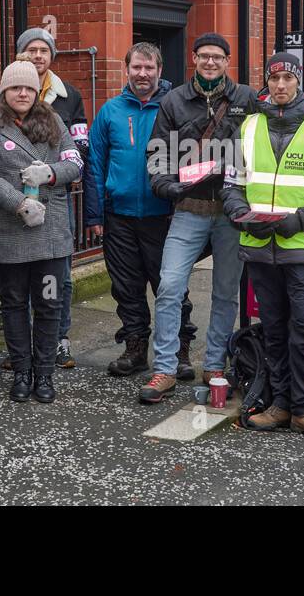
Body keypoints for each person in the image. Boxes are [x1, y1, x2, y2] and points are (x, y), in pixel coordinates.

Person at [222, 53, 304, 441]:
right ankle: (281, 405)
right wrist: (241, 215)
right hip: (259, 248)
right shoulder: (246, 127)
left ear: (300, 83)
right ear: (267, 82)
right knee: (275, 330)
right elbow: (231, 185)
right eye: (274, 78)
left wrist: (302, 219)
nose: (280, 85)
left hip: (303, 249)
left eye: (288, 78)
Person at [138, 33, 259, 403]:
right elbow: (158, 152)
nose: (210, 62)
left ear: (227, 61)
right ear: (194, 59)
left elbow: (264, 146)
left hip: (231, 210)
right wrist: (165, 186)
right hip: (189, 209)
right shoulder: (174, 100)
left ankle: (215, 364)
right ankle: (164, 369)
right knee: (170, 286)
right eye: (204, 56)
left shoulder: (246, 99)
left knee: (225, 292)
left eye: (217, 57)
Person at [84, 42, 198, 377]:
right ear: (127, 69)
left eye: (149, 68)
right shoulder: (111, 111)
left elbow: (190, 159)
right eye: (137, 67)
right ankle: (134, 349)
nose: (143, 74)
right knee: (126, 287)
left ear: (160, 71)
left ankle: (179, 351)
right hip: (118, 216)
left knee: (171, 285)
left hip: (164, 215)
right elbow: (95, 164)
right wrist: (94, 215)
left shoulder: (175, 107)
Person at [0, 56, 82, 403]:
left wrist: (49, 173)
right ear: (4, 92)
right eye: (14, 87)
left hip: (50, 237)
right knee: (15, 305)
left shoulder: (54, 122)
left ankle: (45, 374)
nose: (22, 93)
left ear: (37, 92)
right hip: (10, 232)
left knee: (49, 304)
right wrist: (19, 202)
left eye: (28, 88)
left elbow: (75, 161)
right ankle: (22, 371)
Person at [17, 27, 87, 369]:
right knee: (23, 271)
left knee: (62, 275)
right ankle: (27, 342)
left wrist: (54, 171)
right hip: (20, 199)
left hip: (56, 198)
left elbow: (80, 147)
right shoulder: (9, 93)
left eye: (44, 50)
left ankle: (59, 339)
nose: (38, 56)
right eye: (31, 50)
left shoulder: (69, 96)